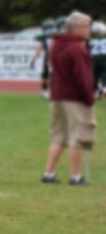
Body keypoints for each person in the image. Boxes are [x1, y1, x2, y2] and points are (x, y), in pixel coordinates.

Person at [43, 11, 95, 185]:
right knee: (77, 138)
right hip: (73, 98)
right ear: (74, 28)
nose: (89, 29)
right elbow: (83, 78)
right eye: (86, 26)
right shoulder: (77, 48)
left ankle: (48, 173)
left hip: (56, 96)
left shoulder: (56, 44)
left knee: (58, 136)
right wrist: (89, 97)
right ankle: (76, 176)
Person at [90, 21, 106, 98]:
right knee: (104, 73)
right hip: (103, 57)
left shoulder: (91, 40)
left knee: (94, 74)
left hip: (94, 57)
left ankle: (95, 91)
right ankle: (104, 88)